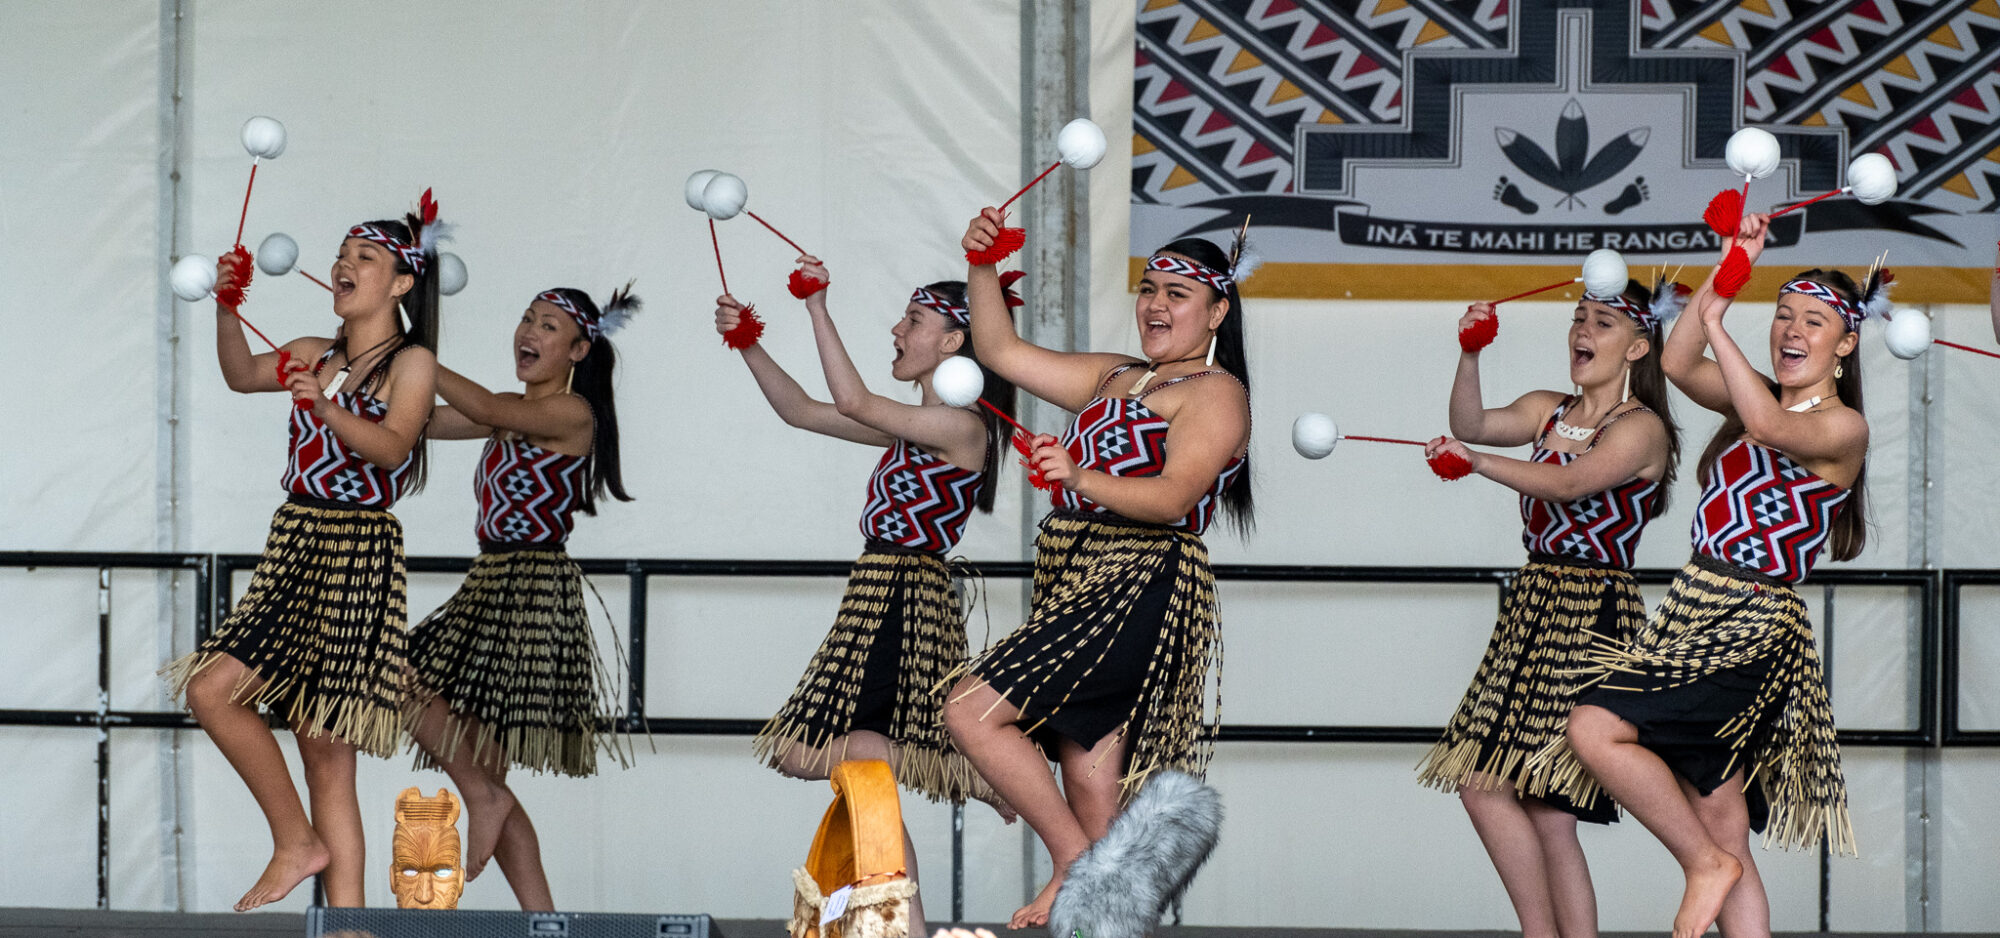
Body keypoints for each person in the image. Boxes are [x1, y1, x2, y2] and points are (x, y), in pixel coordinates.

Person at [1537, 212, 1872, 938]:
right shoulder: (1754, 396)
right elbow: (1681, 362)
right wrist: (1725, 275)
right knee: (1724, 823)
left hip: (1750, 627)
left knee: (1594, 728)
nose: (1791, 330)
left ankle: (1701, 868)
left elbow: (1775, 429)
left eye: (1813, 322)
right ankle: (1712, 864)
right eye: (1783, 315)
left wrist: (1723, 319)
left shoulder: (1843, 427)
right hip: (1694, 616)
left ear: (1845, 343)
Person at [943, 209, 1252, 929]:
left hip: (1140, 584)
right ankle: (1109, 909)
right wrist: (982, 262)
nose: (1155, 303)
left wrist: (1080, 477)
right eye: (1149, 288)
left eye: (1178, 293)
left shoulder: (1216, 393)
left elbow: (1175, 496)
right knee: (1087, 768)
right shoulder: (1115, 374)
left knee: (972, 710)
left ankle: (1079, 867)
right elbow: (998, 347)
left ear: (1217, 311)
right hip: (1077, 582)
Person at [720, 255, 1016, 938]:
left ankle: (974, 772)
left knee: (806, 752)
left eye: (913, 321)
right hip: (878, 594)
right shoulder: (909, 429)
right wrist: (747, 343)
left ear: (951, 344)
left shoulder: (962, 428)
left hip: (904, 598)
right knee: (862, 776)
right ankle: (908, 921)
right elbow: (801, 411)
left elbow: (852, 401)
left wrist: (817, 306)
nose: (897, 329)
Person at [166, 203, 443, 910]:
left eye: (366, 257)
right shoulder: (312, 350)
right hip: (297, 542)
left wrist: (323, 406)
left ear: (403, 283)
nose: (344, 265)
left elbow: (393, 446)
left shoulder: (413, 363)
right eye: (343, 252)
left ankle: (345, 926)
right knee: (211, 689)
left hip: (357, 553)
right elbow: (239, 373)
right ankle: (296, 840)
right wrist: (228, 307)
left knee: (326, 750)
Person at [1417, 277, 1684, 938]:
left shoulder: (1642, 428)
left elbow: (1569, 482)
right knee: (1522, 800)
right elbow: (1471, 424)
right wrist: (1471, 353)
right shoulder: (1546, 409)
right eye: (1579, 318)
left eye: (1602, 323)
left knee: (1537, 800)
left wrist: (1477, 464)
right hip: (1534, 605)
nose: (1582, 332)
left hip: (1594, 609)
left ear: (1636, 350)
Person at [404, 283, 639, 909]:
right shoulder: (504, 411)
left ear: (579, 350)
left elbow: (480, 402)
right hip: (490, 585)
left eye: (549, 326)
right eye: (527, 318)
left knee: (403, 684)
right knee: (484, 769)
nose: (529, 331)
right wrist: (368, 366)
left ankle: (488, 808)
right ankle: (543, 920)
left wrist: (415, 356)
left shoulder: (571, 414)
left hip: (530, 592)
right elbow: (418, 421)